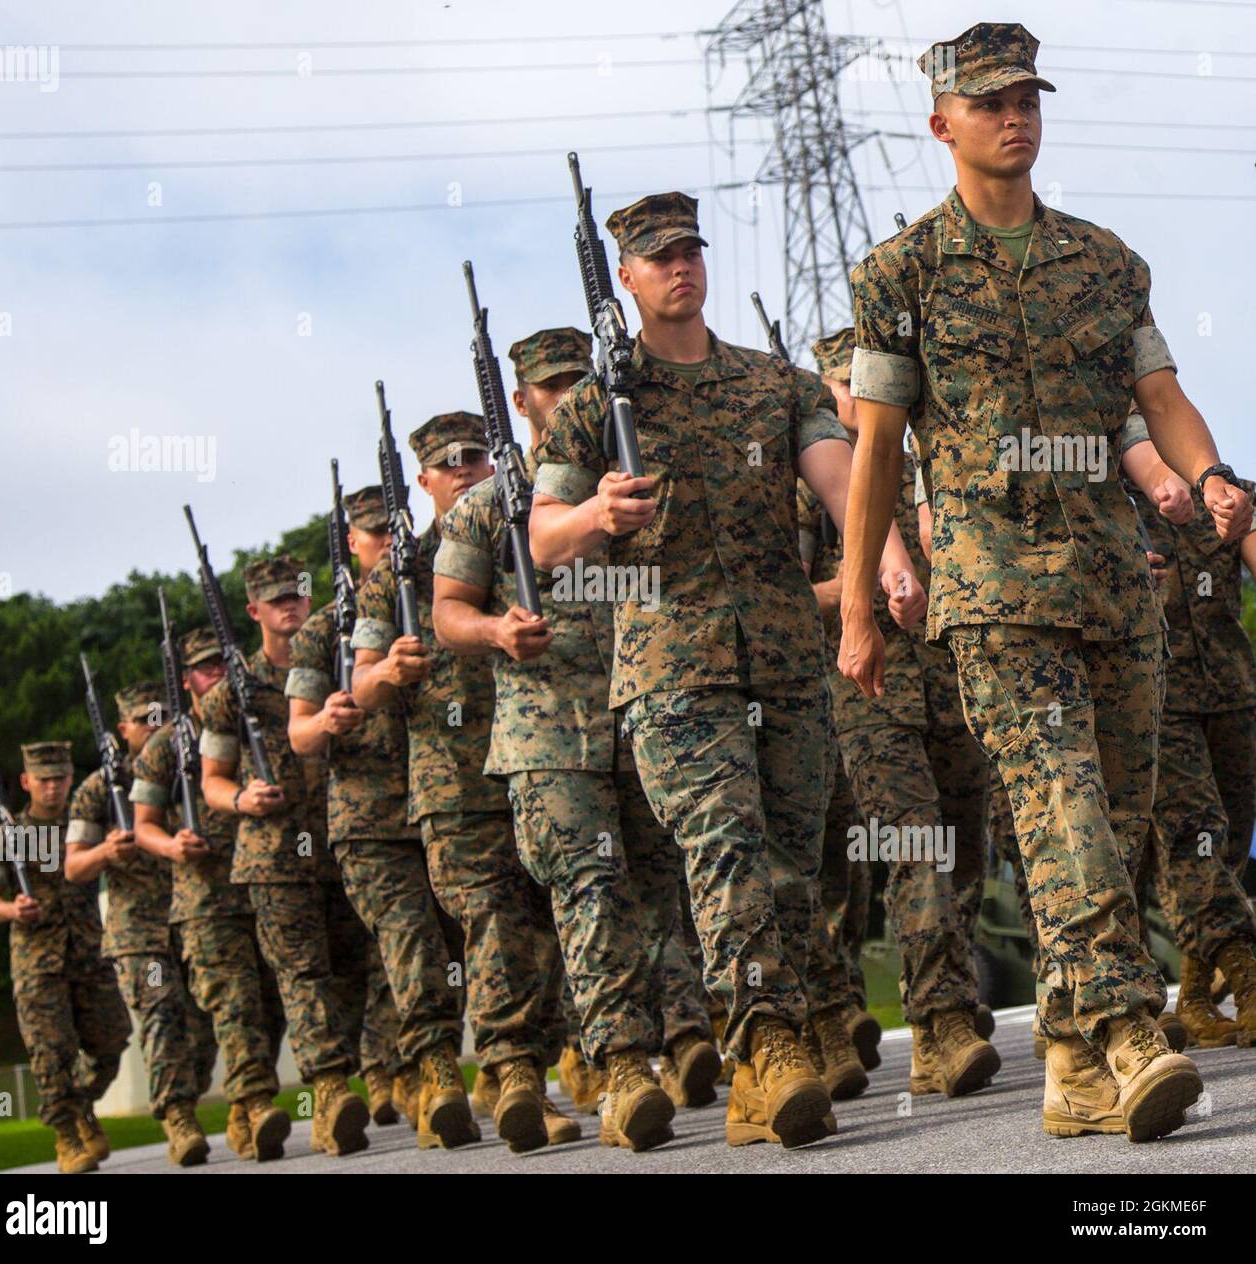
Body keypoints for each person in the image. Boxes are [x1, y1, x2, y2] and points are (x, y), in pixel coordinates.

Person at [840, 21, 1251, 1141]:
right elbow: (876, 450)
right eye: (988, 102)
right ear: (942, 125)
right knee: (1061, 802)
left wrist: (1206, 472)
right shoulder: (898, 275)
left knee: (1113, 822)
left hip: (1117, 582)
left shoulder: (1106, 261)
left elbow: (1158, 394)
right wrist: (863, 605)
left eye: (1025, 96)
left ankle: (1067, 1057)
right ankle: (1127, 1028)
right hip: (992, 585)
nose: (1013, 115)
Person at [529, 190, 926, 1148]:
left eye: (690, 251)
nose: (681, 267)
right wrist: (597, 519)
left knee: (793, 865)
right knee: (725, 848)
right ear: (624, 279)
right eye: (659, 256)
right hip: (673, 672)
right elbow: (542, 542)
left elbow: (843, 483)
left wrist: (887, 564)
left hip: (787, 661)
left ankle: (761, 1070)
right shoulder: (593, 409)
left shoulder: (775, 385)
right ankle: (770, 1043)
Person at [434, 327, 716, 1151]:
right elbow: (450, 607)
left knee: (657, 895)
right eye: (550, 387)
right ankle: (624, 1074)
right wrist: (492, 631)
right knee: (589, 891)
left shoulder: (631, 485)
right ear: (522, 402)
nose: (566, 397)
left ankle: (667, 1037)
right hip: (547, 735)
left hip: (644, 719)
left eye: (576, 381)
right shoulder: (492, 506)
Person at [353, 413, 566, 1153]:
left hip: (541, 759)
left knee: (548, 926)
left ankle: (538, 1065)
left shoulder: (523, 530)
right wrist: (388, 672)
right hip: (451, 782)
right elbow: (361, 688)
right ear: (424, 480)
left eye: (480, 456)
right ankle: (514, 1079)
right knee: (494, 926)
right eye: (453, 463)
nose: (470, 469)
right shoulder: (397, 575)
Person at [803, 329, 995, 1100]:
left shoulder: (921, 467)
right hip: (865, 692)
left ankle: (958, 993)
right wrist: (862, 581)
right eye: (844, 385)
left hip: (948, 678)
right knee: (915, 844)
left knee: (965, 851)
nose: (859, 397)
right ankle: (939, 1020)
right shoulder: (806, 483)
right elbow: (777, 595)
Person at [287, 482, 468, 1136]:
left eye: (395, 530)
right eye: (373, 536)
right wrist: (331, 718)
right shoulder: (321, 633)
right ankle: (434, 1070)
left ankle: (455, 1070)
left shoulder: (438, 584)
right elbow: (298, 731)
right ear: (350, 544)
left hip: (445, 798)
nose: (389, 544)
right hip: (368, 821)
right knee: (408, 942)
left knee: (454, 943)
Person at [200, 554, 372, 1157]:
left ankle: (352, 1072)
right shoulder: (228, 694)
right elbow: (212, 780)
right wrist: (243, 798)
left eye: (298, 595)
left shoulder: (336, 660)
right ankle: (328, 1092)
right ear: (254, 612)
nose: (291, 606)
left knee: (351, 971)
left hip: (341, 835)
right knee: (301, 977)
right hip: (272, 856)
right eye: (277, 600)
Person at [1122, 413, 1256, 1048]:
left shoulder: (1223, 498)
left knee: (1228, 840)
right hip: (1159, 700)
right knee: (1195, 838)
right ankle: (1249, 974)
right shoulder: (1110, 512)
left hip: (1232, 694)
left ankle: (1196, 996)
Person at [133, 626, 292, 1161]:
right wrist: (172, 846)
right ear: (186, 680)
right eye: (204, 668)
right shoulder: (164, 746)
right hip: (203, 900)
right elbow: (143, 825)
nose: (216, 674)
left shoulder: (251, 723)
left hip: (261, 882)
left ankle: (242, 1104)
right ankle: (254, 1102)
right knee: (234, 1005)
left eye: (221, 664)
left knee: (272, 1006)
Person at [65, 680, 215, 1167]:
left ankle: (210, 1106)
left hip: (190, 916)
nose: (155, 728)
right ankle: (179, 1120)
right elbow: (72, 867)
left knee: (203, 1023)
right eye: (144, 721)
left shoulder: (185, 770)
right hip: (136, 932)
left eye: (162, 718)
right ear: (122, 729)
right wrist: (106, 851)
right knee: (162, 1014)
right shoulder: (97, 790)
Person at [0, 741, 130, 1173]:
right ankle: (66, 1138)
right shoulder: (4, 836)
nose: (53, 787)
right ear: (26, 782)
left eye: (60, 778)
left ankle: (80, 1106)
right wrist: (12, 910)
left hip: (90, 953)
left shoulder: (87, 827)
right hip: (37, 961)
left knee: (112, 1042)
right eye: (43, 780)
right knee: (51, 1051)